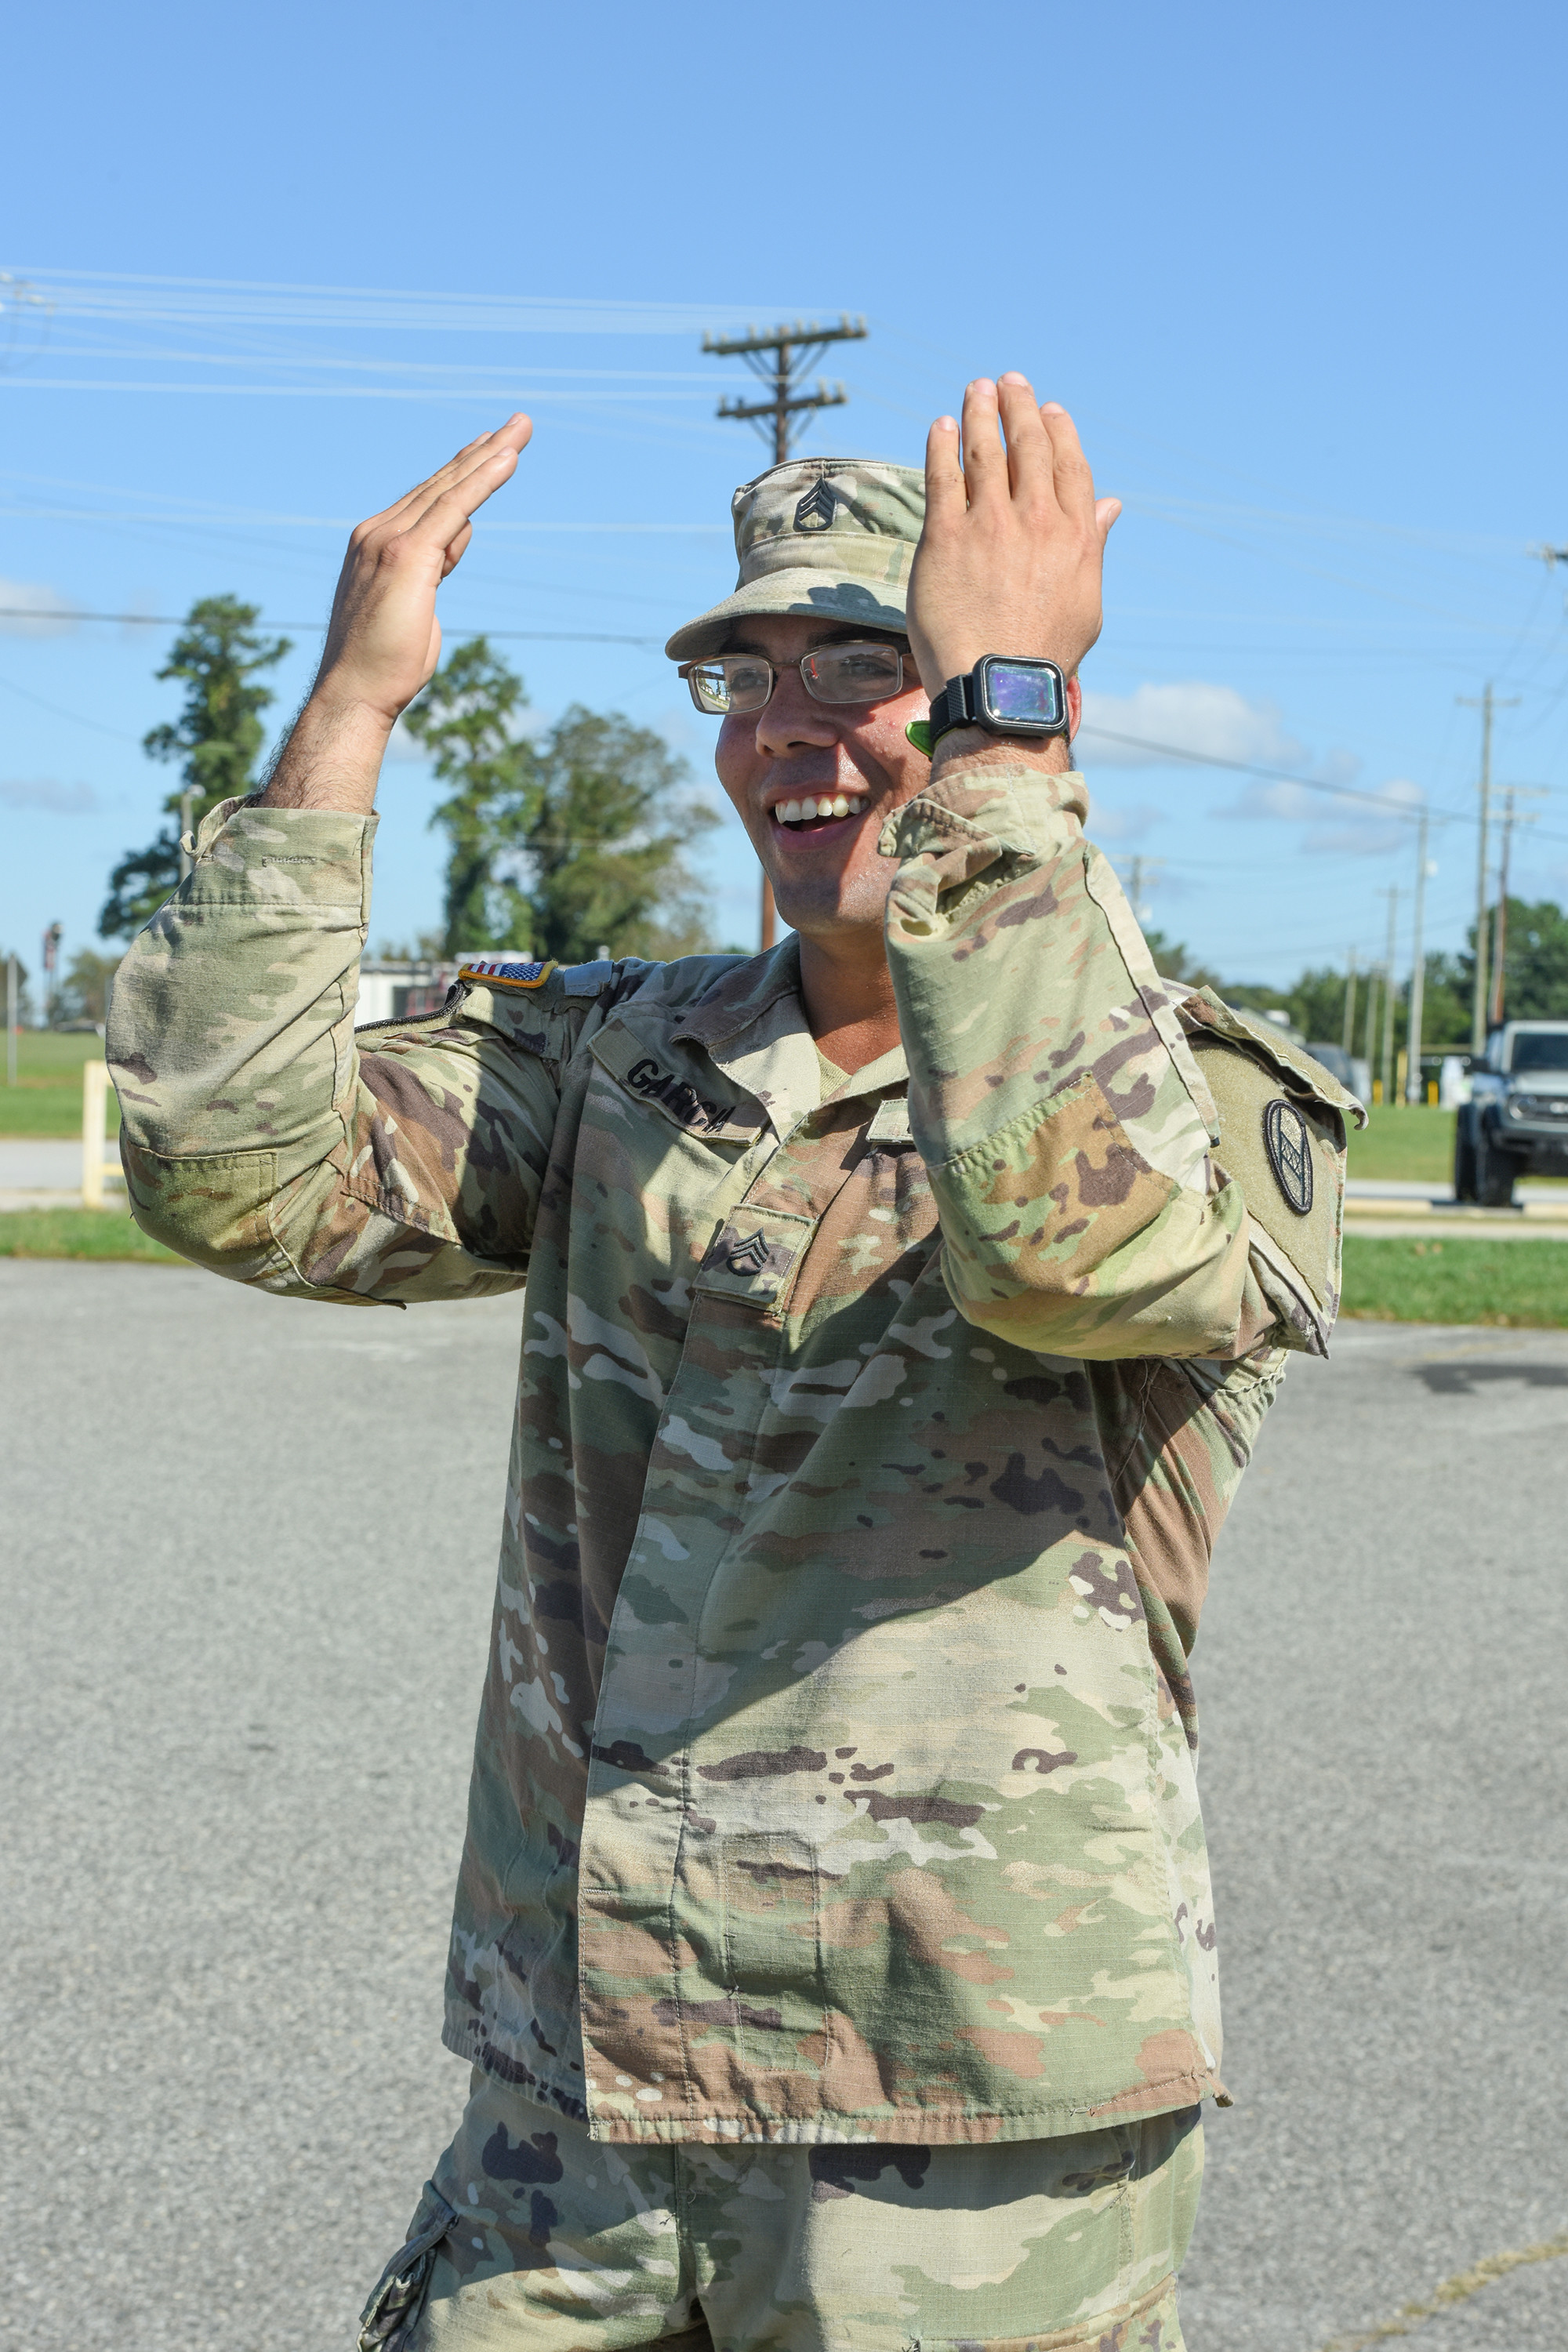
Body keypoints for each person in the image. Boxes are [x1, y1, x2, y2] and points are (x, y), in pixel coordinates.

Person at [107, 378, 1357, 2351]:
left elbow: (1066, 1254)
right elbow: (234, 1175)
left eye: (864, 662)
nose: (788, 724)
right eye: (743, 674)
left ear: (1007, 694)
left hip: (944, 2123)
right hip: (582, 2087)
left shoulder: (1185, 1093)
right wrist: (347, 715)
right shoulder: (624, 1054)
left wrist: (998, 723)